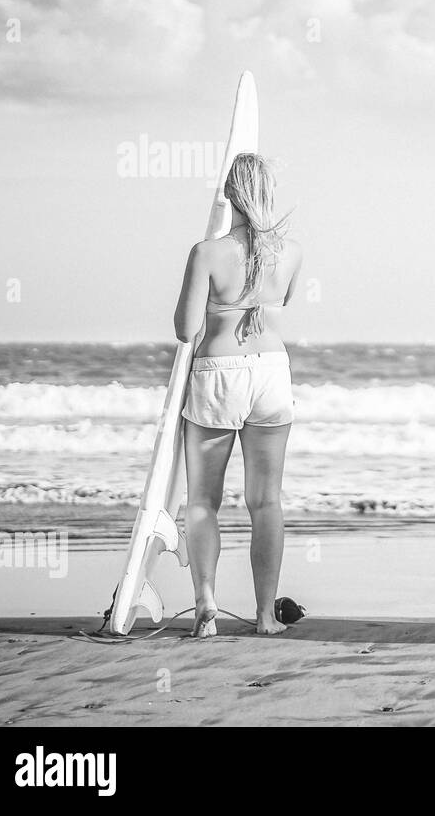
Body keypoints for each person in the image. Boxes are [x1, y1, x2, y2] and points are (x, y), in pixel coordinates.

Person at [173, 152, 303, 637]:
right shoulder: (291, 251)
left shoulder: (207, 252)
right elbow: (282, 299)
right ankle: (266, 616)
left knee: (203, 500)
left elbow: (186, 330)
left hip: (218, 371)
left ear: (229, 193)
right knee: (266, 501)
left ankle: (206, 606)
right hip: (271, 371)